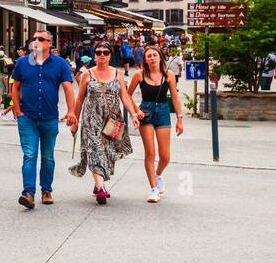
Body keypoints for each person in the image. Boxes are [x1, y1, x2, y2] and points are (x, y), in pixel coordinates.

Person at [10, 30, 77, 210]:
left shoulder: (60, 64)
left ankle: (46, 190)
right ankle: (28, 193)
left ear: (50, 44)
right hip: (27, 117)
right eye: (34, 39)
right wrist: (17, 109)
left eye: (41, 39)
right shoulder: (23, 63)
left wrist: (71, 111)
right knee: (30, 155)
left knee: (47, 157)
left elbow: (68, 89)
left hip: (49, 118)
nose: (36, 42)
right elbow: (15, 87)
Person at [68, 41, 140, 204]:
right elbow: (79, 100)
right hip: (91, 119)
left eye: (105, 52)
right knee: (95, 150)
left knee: (107, 152)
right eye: (98, 52)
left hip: (112, 120)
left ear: (110, 55)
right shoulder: (88, 74)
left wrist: (134, 114)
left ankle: (97, 182)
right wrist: (75, 121)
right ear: (94, 55)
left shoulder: (117, 74)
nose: (102, 55)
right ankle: (101, 188)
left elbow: (125, 97)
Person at [127, 45, 184, 203]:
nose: (152, 58)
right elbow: (127, 95)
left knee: (165, 156)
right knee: (150, 153)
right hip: (146, 112)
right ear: (145, 59)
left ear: (160, 57)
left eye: (154, 55)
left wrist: (180, 118)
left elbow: (175, 98)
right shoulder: (139, 74)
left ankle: (158, 174)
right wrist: (135, 111)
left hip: (163, 112)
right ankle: (153, 189)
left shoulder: (169, 75)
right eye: (149, 56)